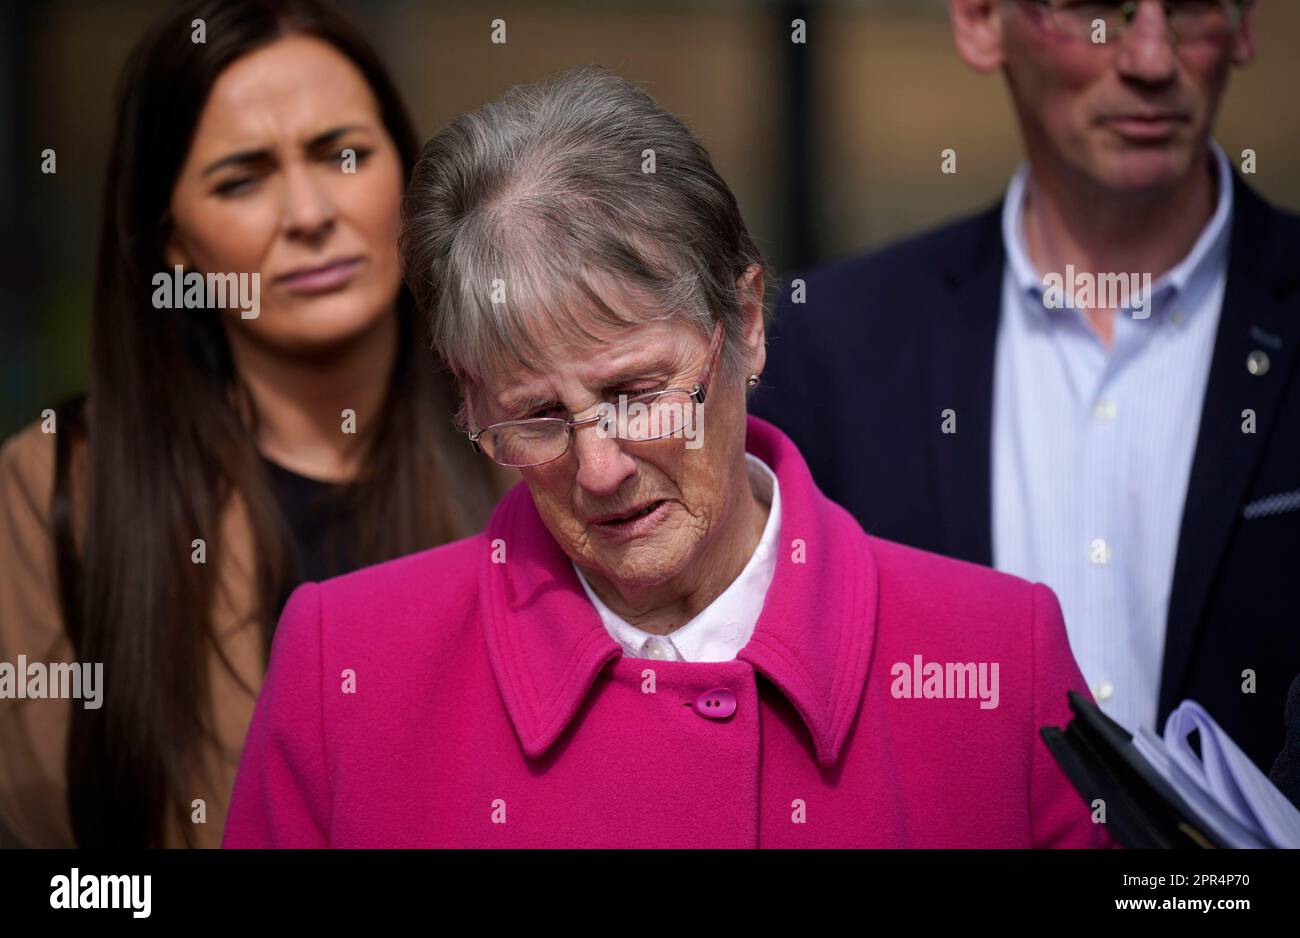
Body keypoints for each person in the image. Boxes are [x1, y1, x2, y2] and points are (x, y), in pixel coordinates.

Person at [223, 66, 1113, 848]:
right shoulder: (347, 671)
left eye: (638, 394)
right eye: (535, 415)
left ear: (748, 324)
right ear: (468, 400)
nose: (600, 469)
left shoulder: (997, 659)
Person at [0, 0, 507, 848]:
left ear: (409, 174)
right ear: (175, 246)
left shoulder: (532, 448)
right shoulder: (58, 489)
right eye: (242, 178)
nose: (308, 214)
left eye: (343, 155)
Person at [751, 0, 1299, 772]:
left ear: (1244, 25)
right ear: (979, 21)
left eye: (1190, 8)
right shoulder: (832, 348)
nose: (1150, 59)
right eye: (1096, 12)